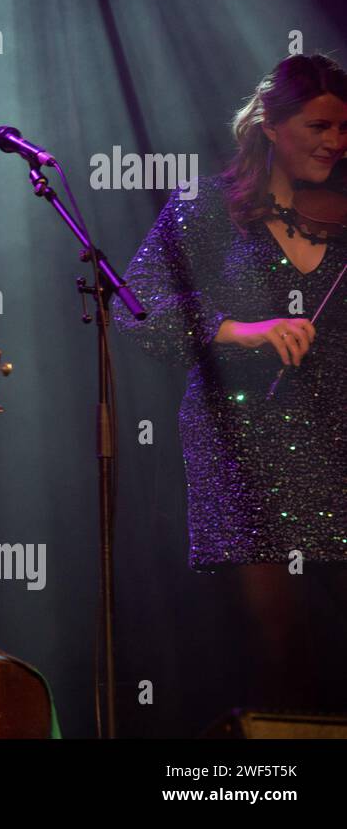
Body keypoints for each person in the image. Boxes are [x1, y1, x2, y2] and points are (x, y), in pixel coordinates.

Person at [114, 53, 347, 711]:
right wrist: (243, 330)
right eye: (319, 125)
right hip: (242, 443)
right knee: (281, 649)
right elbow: (137, 309)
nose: (336, 142)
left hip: (336, 436)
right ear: (271, 124)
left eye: (344, 128)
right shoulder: (207, 208)